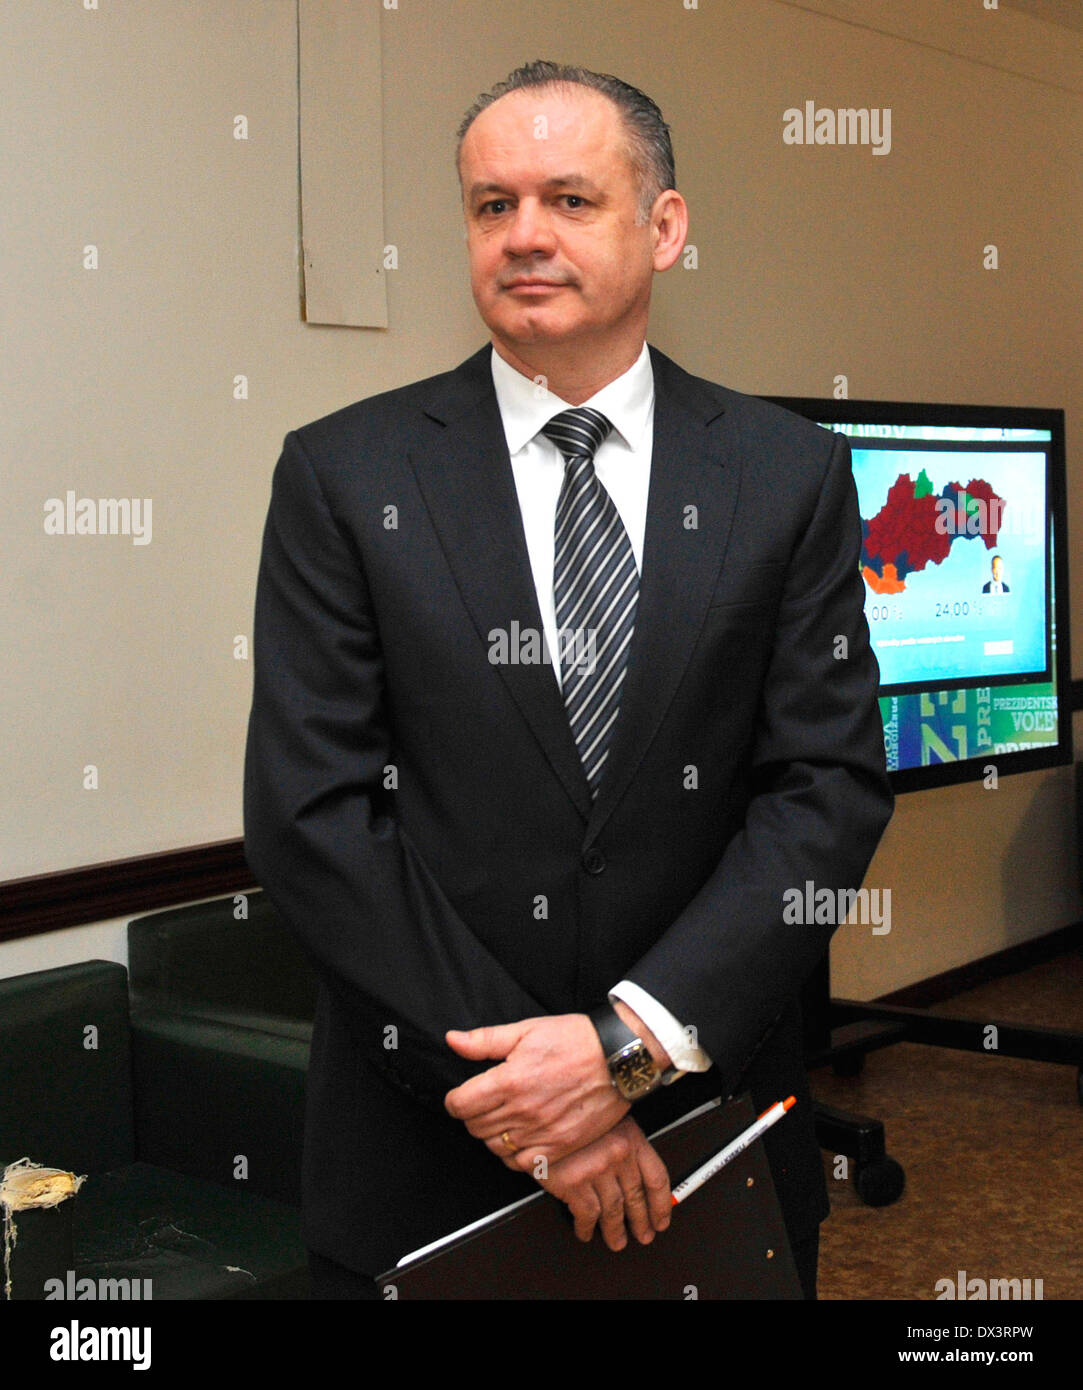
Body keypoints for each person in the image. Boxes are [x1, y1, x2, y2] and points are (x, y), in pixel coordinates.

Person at [243, 60, 894, 1301]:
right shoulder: (343, 475)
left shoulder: (787, 474)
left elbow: (827, 789)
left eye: (567, 199)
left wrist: (624, 1050)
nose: (524, 236)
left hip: (707, 1141)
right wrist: (536, 1098)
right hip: (426, 1149)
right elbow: (313, 816)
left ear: (664, 227)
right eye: (492, 206)